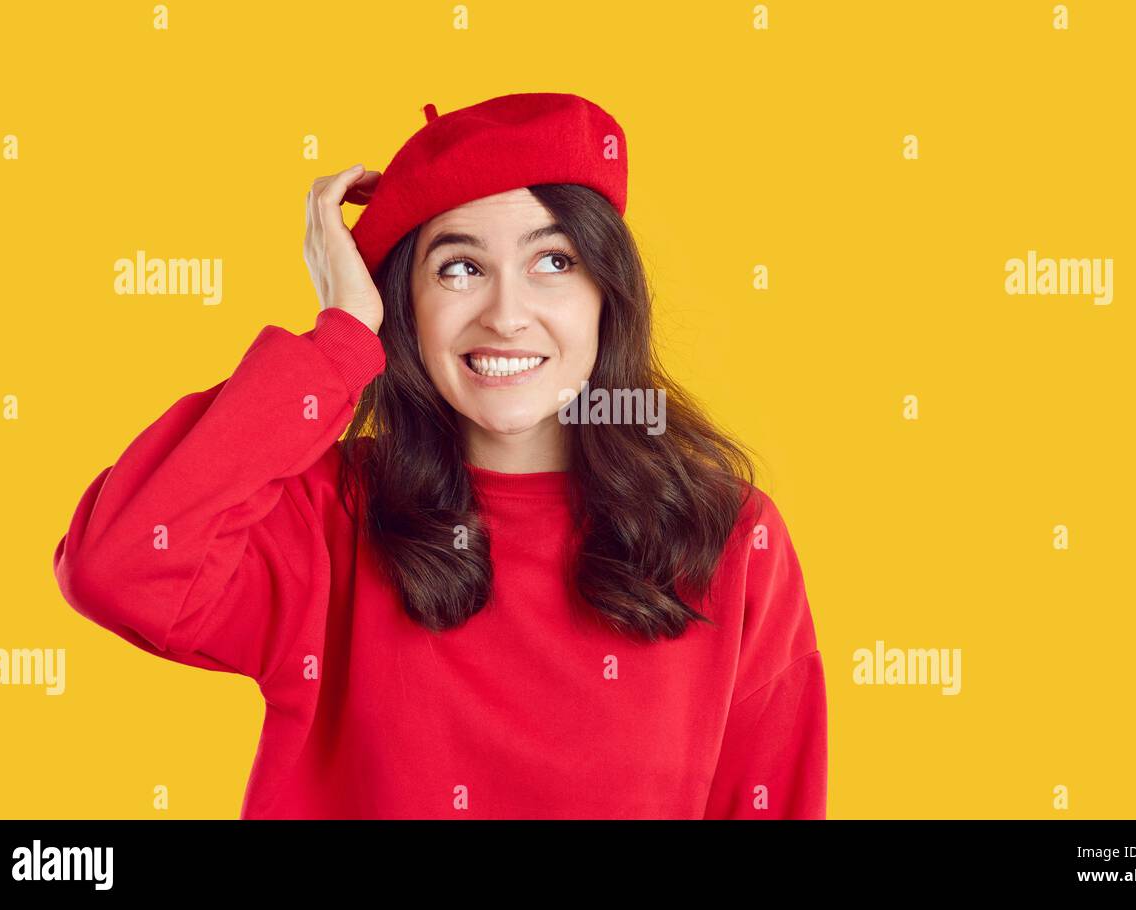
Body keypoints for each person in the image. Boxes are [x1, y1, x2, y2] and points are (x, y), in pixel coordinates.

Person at [52, 92, 827, 819]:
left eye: (553, 261)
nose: (506, 315)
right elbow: (115, 567)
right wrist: (337, 340)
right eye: (459, 267)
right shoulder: (326, 515)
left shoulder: (730, 536)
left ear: (607, 293)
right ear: (405, 306)